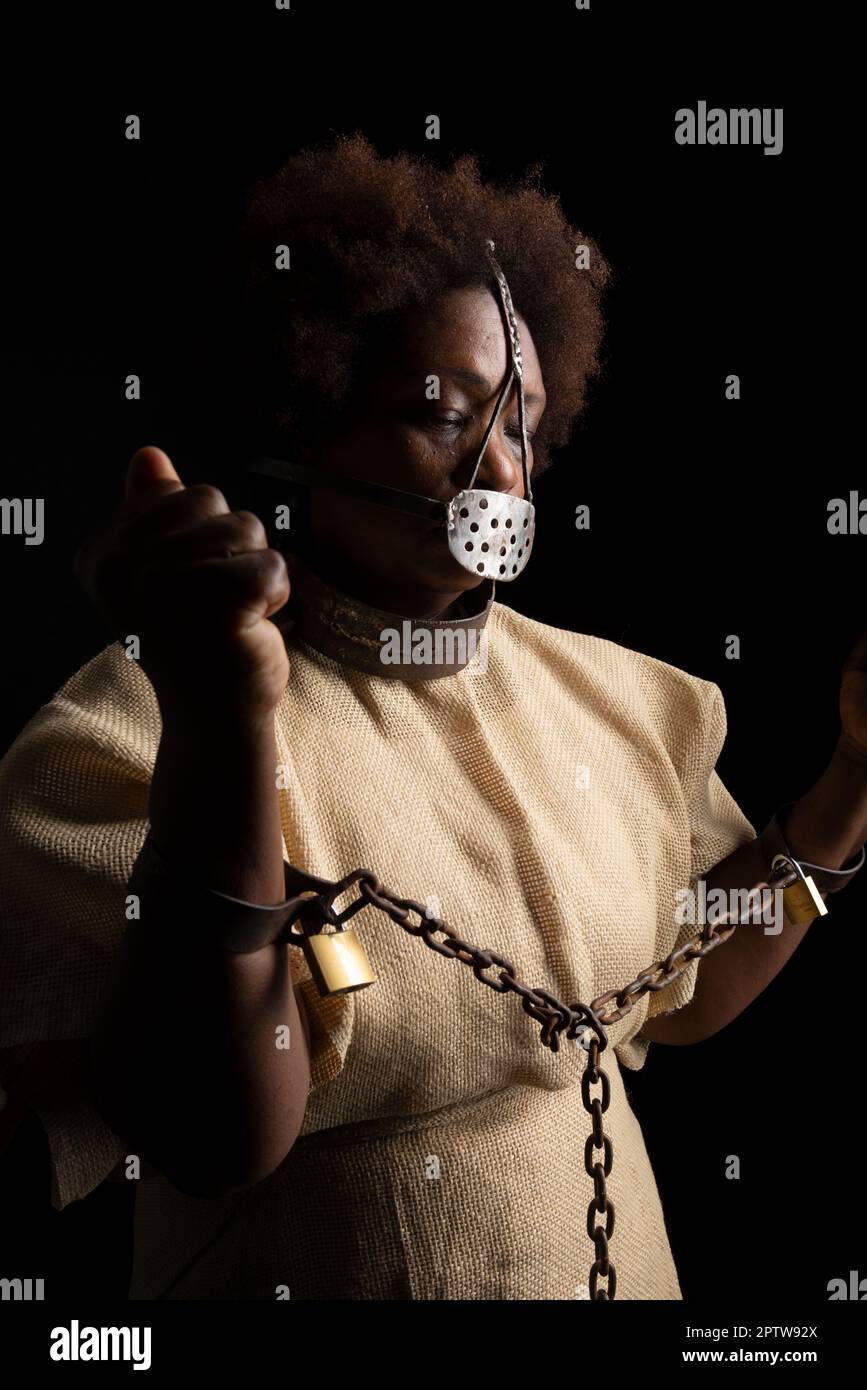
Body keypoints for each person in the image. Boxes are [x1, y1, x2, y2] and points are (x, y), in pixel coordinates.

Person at [1, 134, 866, 1301]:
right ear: (306, 415)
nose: (502, 475)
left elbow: (689, 987)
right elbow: (212, 1131)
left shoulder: (624, 699)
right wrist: (218, 718)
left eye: (521, 424)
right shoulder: (126, 732)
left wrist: (854, 778)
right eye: (445, 412)